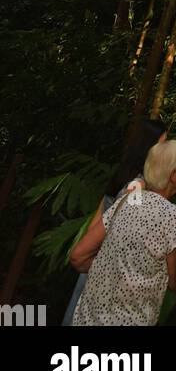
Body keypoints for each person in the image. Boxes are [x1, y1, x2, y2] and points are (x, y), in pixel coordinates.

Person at [61, 116, 167, 326]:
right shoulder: (138, 185)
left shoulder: (121, 176)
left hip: (94, 267)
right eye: (163, 145)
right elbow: (127, 231)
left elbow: (94, 226)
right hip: (110, 274)